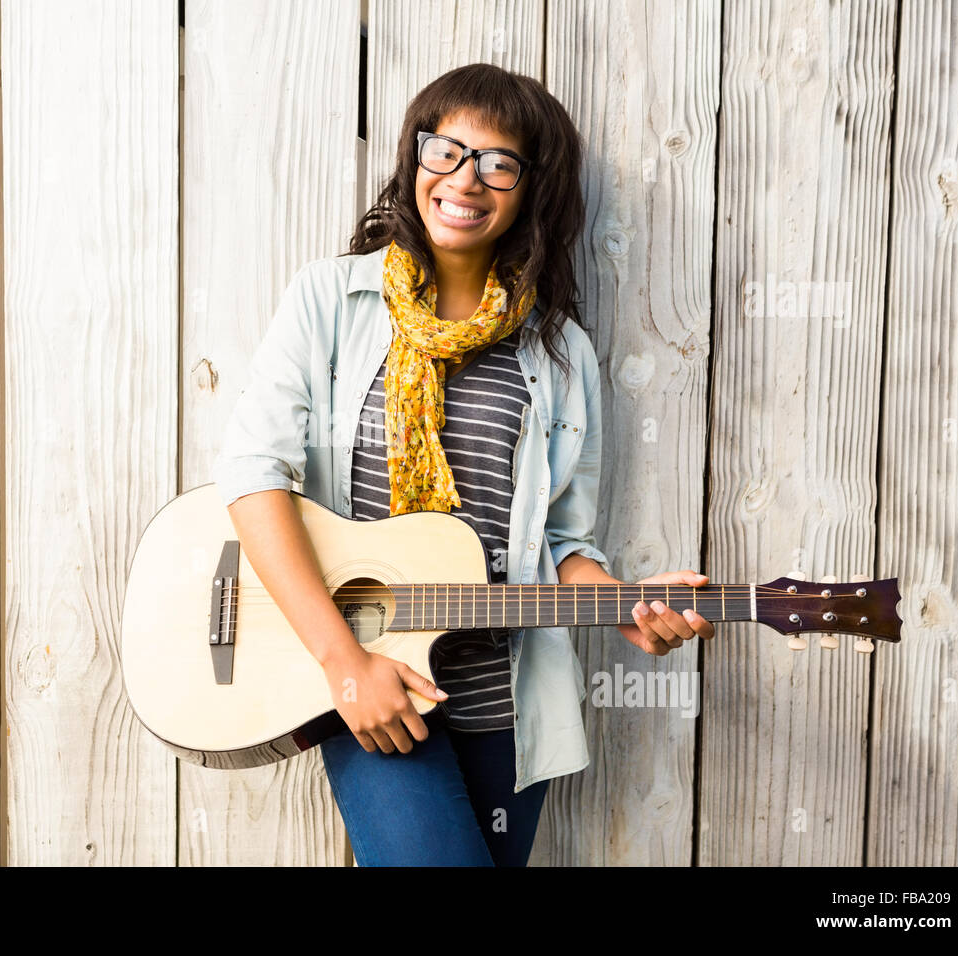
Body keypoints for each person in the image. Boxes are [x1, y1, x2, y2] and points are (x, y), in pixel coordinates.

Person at [211, 63, 715, 866]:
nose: (464, 179)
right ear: (415, 158)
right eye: (444, 149)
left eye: (498, 162)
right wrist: (345, 664)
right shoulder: (329, 301)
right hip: (368, 681)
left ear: (531, 190)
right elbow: (252, 475)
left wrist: (624, 602)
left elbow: (561, 545)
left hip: (505, 710)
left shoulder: (561, 353)